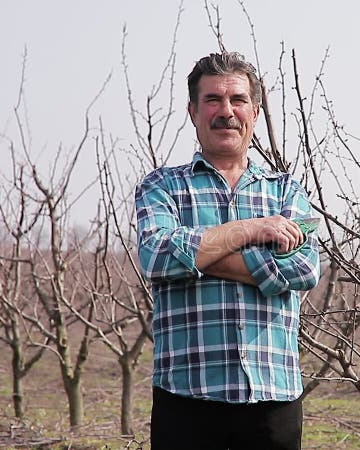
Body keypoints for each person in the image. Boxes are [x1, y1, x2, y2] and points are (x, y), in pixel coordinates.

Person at [135, 51, 320, 450]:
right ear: (193, 111)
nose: (226, 111)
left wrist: (199, 256)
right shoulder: (162, 186)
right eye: (213, 100)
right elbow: (156, 256)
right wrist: (252, 229)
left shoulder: (285, 190)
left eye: (237, 100)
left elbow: (304, 269)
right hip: (186, 401)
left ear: (254, 110)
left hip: (273, 399)